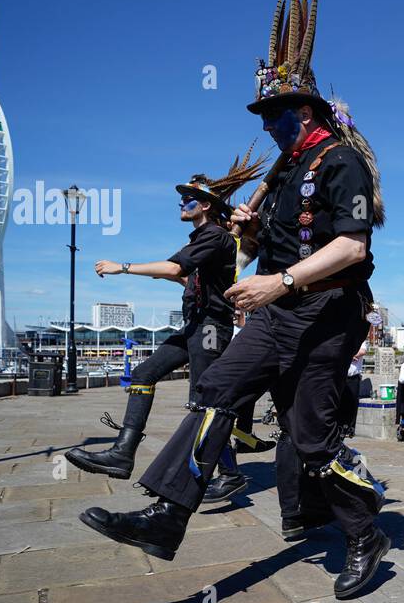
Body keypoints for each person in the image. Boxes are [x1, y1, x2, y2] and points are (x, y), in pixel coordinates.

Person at [79, 0, 391, 599]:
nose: (269, 125)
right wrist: (251, 234)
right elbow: (275, 244)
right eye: (263, 117)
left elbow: (352, 250)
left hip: (326, 317)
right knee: (215, 387)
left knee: (310, 444)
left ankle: (365, 533)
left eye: (276, 115)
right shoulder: (284, 176)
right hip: (277, 318)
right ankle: (167, 516)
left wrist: (280, 281)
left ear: (305, 110)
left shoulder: (341, 163)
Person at [66, 150, 265, 504]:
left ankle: (230, 474)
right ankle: (123, 453)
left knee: (205, 403)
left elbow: (175, 269)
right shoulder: (206, 238)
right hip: (194, 325)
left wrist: (121, 267)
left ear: (206, 205)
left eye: (189, 199)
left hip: (209, 328)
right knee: (143, 374)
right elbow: (185, 275)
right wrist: (176, 278)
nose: (182, 204)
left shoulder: (215, 236)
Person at [343, 339, 368, 438]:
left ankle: (350, 428)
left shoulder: (361, 340)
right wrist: (350, 355)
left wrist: (347, 355)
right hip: (341, 376)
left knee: (352, 402)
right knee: (341, 402)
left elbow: (362, 351)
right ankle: (340, 426)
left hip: (353, 377)